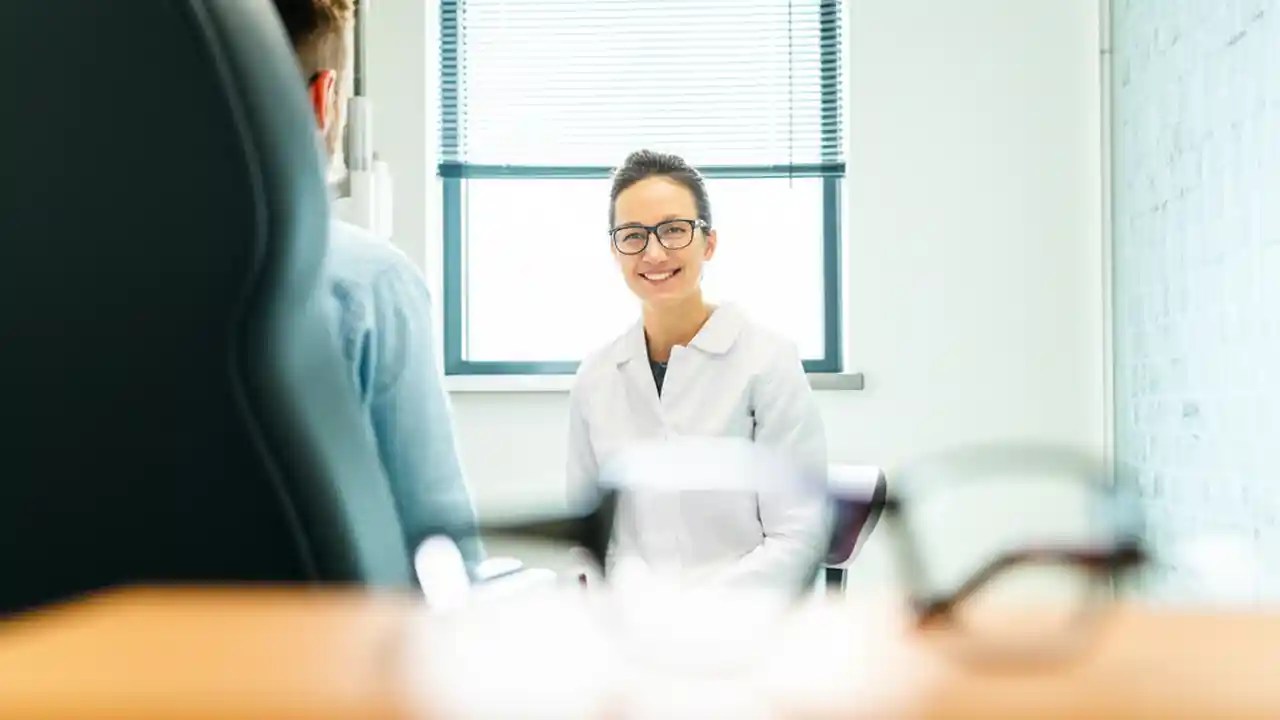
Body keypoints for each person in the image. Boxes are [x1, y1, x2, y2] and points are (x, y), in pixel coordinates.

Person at [270, 0, 482, 568]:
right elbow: (441, 558)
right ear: (323, 100)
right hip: (322, 651)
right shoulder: (368, 286)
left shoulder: (72, 282)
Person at [566, 150, 829, 590]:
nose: (653, 252)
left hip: (748, 623)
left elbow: (800, 534)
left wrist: (700, 610)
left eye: (673, 230)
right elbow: (587, 539)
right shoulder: (596, 377)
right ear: (615, 250)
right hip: (633, 627)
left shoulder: (767, 361)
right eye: (633, 235)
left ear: (708, 243)